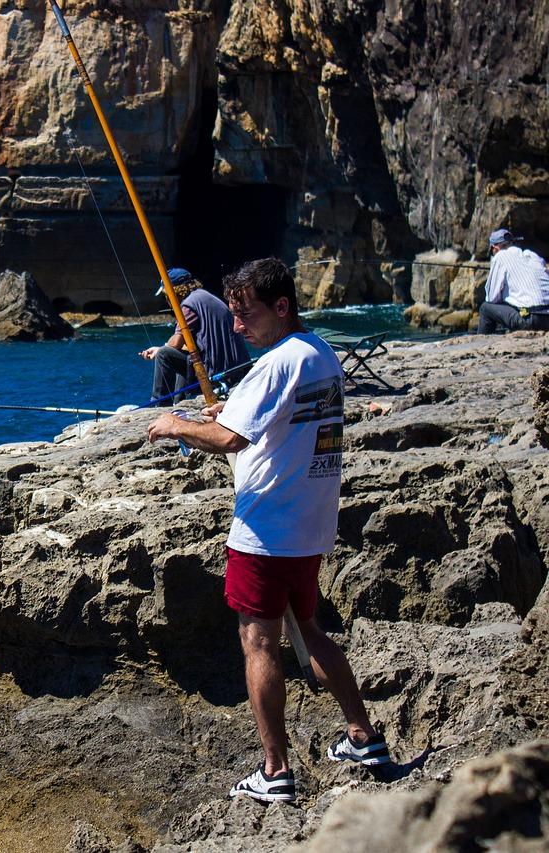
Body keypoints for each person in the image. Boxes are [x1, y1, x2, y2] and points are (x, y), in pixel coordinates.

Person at [146, 257, 389, 803]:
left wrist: (176, 425)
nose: (237, 326)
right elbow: (281, 420)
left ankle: (275, 770)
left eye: (246, 314)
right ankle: (362, 736)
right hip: (309, 525)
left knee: (259, 643)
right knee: (310, 630)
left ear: (281, 307)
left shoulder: (277, 363)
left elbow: (231, 440)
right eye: (233, 314)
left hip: (266, 531)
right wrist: (228, 411)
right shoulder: (320, 354)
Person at [140, 268, 250, 404]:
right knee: (183, 357)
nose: (167, 300)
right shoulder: (203, 297)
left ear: (173, 291)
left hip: (218, 372)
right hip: (235, 368)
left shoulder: (189, 304)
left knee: (164, 354)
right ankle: (178, 402)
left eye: (165, 295)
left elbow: (176, 344)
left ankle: (159, 403)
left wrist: (160, 349)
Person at [478, 228, 549, 333]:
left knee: (485, 308)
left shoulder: (500, 256)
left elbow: (491, 298)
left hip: (532, 320)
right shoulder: (533, 256)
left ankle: (481, 342)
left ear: (495, 248)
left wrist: (505, 295)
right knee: (517, 302)